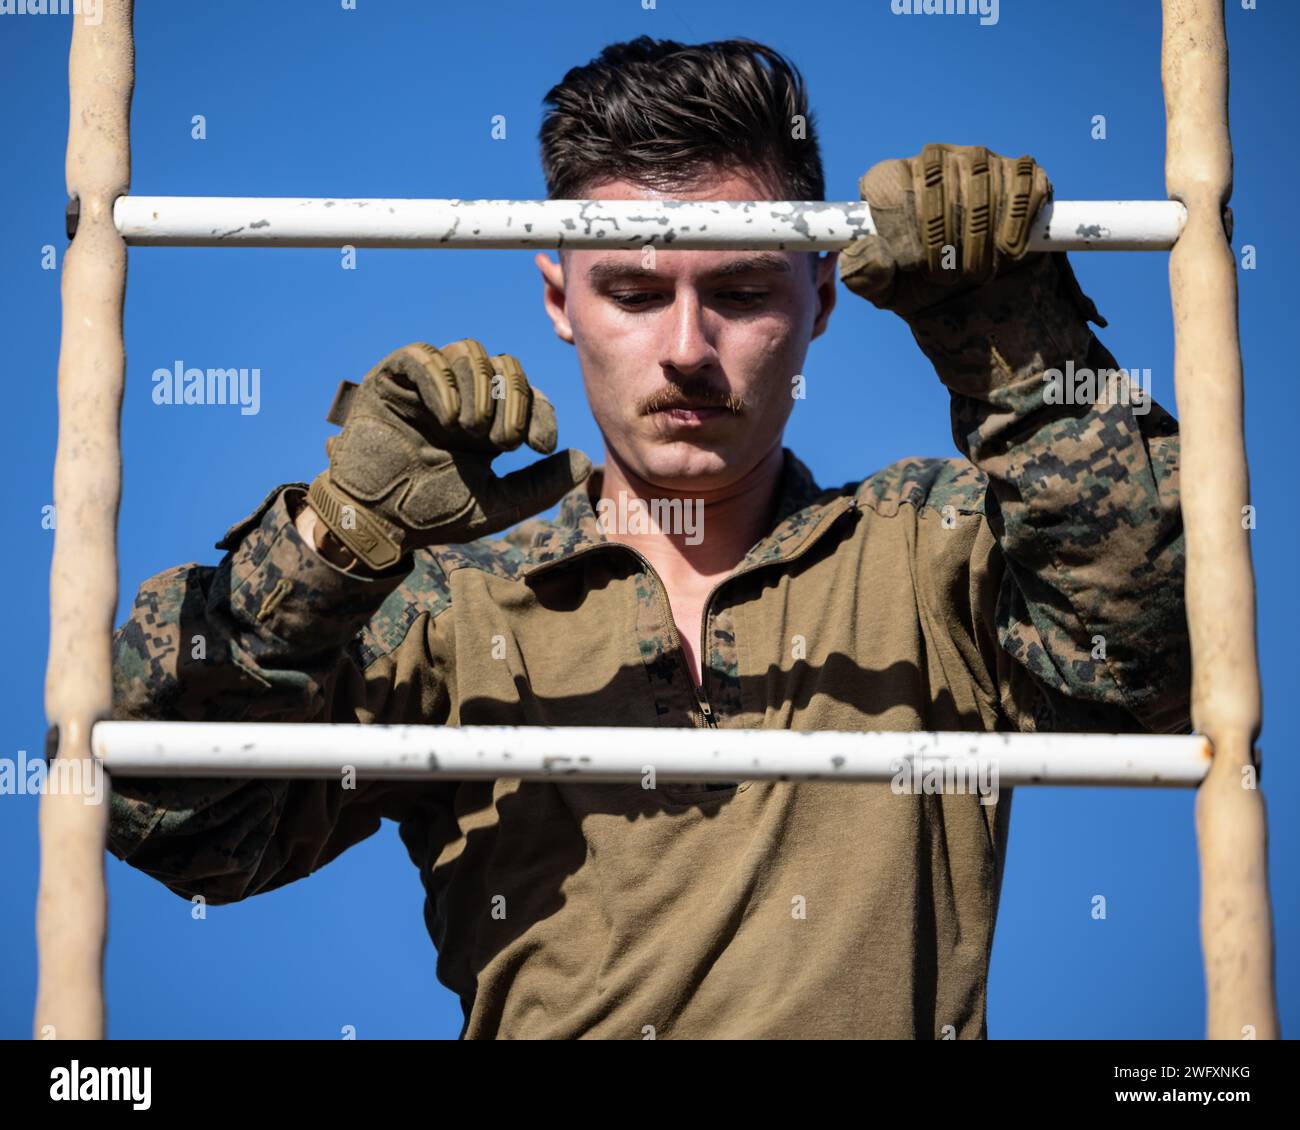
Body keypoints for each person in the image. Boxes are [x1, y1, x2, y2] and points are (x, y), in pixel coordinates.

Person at [108, 36, 1190, 1039]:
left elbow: (1152, 677)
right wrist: (332, 537)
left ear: (820, 292)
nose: (686, 349)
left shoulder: (928, 551)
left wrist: (1017, 344)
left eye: (738, 289)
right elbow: (178, 822)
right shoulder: (454, 610)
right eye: (631, 289)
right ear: (558, 295)